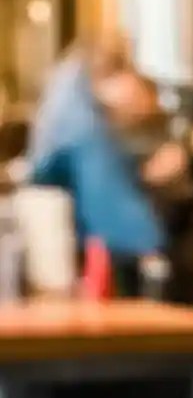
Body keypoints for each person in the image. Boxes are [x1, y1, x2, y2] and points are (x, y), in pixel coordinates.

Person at [29, 35, 168, 280]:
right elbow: (111, 205)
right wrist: (150, 248)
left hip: (62, 251)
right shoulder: (85, 127)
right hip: (85, 262)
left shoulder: (65, 105)